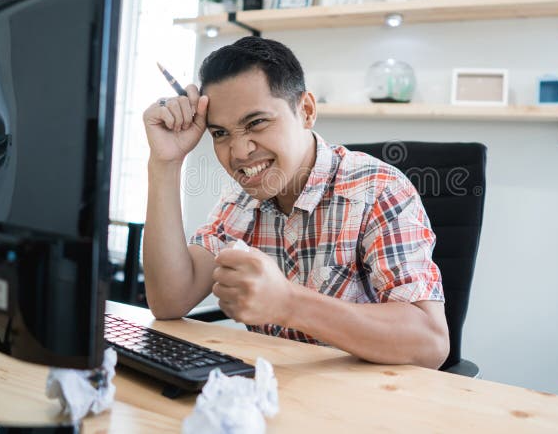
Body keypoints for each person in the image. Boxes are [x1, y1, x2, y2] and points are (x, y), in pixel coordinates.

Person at [141, 36, 448, 369]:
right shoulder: (240, 200)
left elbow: (430, 342)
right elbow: (170, 300)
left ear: (306, 111)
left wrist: (290, 304)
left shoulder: (378, 189)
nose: (239, 152)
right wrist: (165, 163)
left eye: (256, 123)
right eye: (220, 133)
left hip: (365, 393)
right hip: (276, 387)